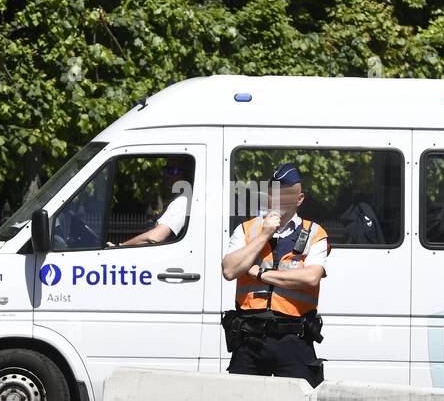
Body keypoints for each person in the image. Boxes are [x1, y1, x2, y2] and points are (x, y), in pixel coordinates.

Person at [220, 162, 329, 386]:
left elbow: (310, 277)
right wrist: (264, 234)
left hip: (294, 341)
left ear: (299, 199)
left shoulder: (315, 233)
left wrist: (259, 274)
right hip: (250, 340)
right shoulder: (247, 229)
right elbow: (230, 270)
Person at [110, 156, 193, 247]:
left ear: (187, 174)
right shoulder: (181, 198)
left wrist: (121, 246)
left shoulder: (182, 201)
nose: (167, 174)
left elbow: (155, 237)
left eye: (172, 170)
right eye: (166, 169)